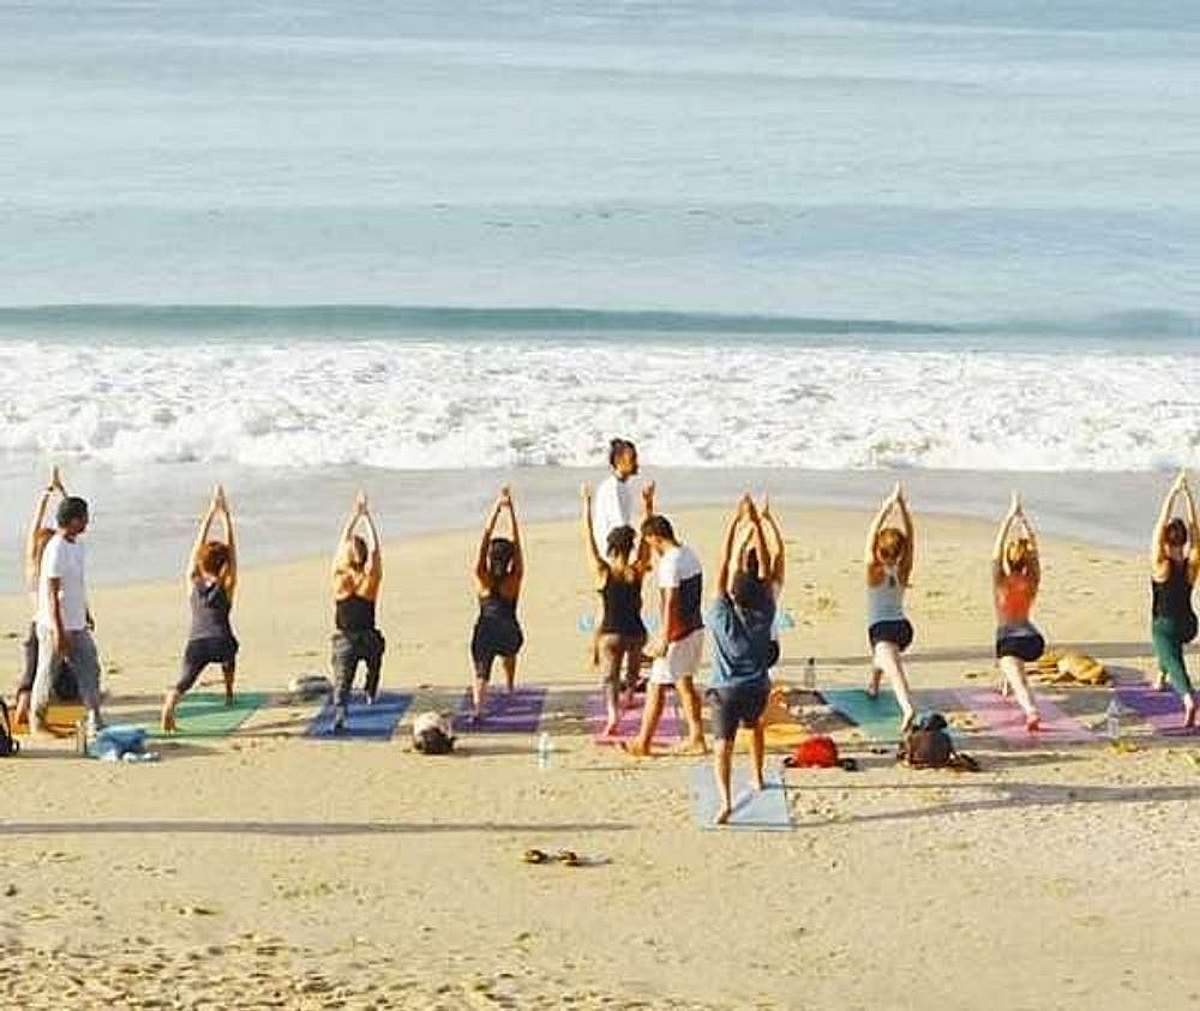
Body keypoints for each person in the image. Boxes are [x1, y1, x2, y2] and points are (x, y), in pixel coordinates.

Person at [707, 495, 777, 825]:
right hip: (757, 689)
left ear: (733, 594)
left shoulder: (721, 614)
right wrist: (758, 524)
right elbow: (766, 566)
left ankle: (724, 800)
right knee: (755, 727)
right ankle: (759, 776)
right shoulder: (766, 612)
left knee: (723, 746)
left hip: (726, 691)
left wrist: (734, 524)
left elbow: (722, 568)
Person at [625, 509, 707, 756]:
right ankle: (697, 736)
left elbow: (671, 601)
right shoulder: (689, 554)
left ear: (654, 537)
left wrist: (664, 637)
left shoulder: (669, 563)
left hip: (677, 633)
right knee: (684, 683)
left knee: (655, 686)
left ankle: (643, 741)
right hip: (695, 628)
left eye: (648, 542)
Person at [160, 485, 239, 732]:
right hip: (222, 641)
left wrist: (209, 515)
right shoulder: (227, 584)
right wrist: (225, 515)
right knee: (229, 656)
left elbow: (196, 551)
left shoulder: (192, 582)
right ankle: (228, 692)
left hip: (196, 643)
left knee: (184, 681)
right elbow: (233, 552)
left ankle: (170, 707)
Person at [581, 482, 652, 735]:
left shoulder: (603, 571)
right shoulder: (636, 571)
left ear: (611, 547)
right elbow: (647, 540)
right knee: (633, 669)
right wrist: (648, 504)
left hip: (610, 634)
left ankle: (612, 714)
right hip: (636, 632)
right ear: (630, 547)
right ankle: (631, 694)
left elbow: (587, 539)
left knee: (610, 677)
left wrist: (586, 506)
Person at [30, 494, 104, 736]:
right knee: (47, 672)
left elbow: (76, 584)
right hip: (54, 625)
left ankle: (94, 716)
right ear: (73, 521)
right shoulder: (56, 549)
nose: (87, 522)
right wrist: (59, 631)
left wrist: (85, 611)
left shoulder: (77, 546)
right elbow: (53, 593)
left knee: (90, 667)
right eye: (83, 518)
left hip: (77, 621)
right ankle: (37, 719)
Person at [13, 466, 71, 728]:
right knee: (45, 670)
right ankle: (33, 713)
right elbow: (68, 527)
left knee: (32, 672)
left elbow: (32, 531)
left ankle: (23, 710)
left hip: (34, 626)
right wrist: (62, 494)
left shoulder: (32, 569)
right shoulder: (54, 567)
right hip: (51, 626)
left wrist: (46, 496)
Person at [328, 491, 386, 733]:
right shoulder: (369, 580)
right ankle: (370, 692)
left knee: (342, 680)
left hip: (345, 638)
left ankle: (341, 712)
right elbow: (375, 551)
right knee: (374, 665)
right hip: (369, 637)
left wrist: (355, 515)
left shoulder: (339, 578)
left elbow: (343, 544)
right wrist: (367, 517)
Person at [864, 483, 917, 734]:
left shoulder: (873, 571)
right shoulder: (903, 570)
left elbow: (871, 534)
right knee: (882, 656)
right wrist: (903, 507)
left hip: (882, 630)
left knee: (894, 670)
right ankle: (873, 684)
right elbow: (912, 537)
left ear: (878, 550)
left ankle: (906, 706)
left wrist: (887, 506)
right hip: (903, 628)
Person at [469, 486, 524, 721]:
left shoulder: (482, 577)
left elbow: (483, 540)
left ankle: (479, 708)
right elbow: (517, 543)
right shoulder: (514, 579)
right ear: (510, 558)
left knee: (482, 670)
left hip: (485, 631)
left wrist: (495, 510)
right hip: (509, 631)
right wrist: (510, 511)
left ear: (491, 558)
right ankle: (510, 687)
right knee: (509, 654)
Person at [992, 492, 1045, 732]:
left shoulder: (1000, 581)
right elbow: (1034, 554)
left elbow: (996, 551)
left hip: (1010, 640)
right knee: (1011, 664)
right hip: (1033, 641)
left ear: (1007, 560)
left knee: (1019, 679)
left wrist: (1009, 518)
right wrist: (1024, 523)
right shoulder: (1032, 580)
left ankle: (1030, 710)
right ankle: (1006, 684)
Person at [1149, 471, 1199, 727]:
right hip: (1190, 624)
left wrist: (1172, 493)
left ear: (1166, 539)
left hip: (1166, 624)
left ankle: (1188, 698)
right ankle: (1160, 677)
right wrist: (1189, 495)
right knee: (1168, 647)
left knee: (1165, 643)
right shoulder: (1192, 563)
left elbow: (1159, 524)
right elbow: (1195, 530)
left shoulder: (1161, 564)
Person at [591, 438, 650, 557]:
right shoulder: (613, 488)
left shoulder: (621, 485)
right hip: (612, 553)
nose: (636, 464)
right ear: (618, 460)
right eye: (632, 459)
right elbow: (620, 527)